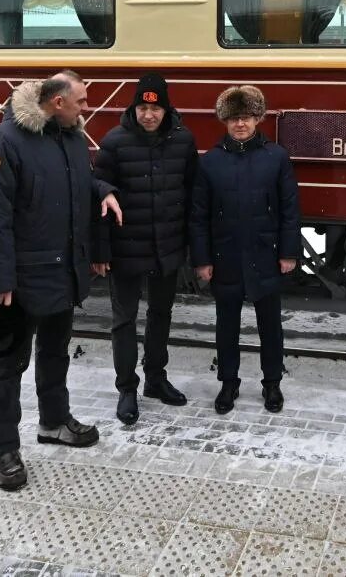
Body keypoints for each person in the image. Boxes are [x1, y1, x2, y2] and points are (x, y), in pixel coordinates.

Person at [0, 70, 123, 491]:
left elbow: (76, 184)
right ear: (58, 102)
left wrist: (103, 191)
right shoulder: (6, 140)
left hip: (63, 271)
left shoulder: (71, 137)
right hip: (21, 279)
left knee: (56, 353)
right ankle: (5, 449)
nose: (86, 107)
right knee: (10, 364)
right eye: (81, 101)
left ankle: (54, 422)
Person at [93, 72, 198, 425]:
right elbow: (99, 196)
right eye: (143, 107)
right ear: (134, 107)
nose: (149, 115)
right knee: (124, 320)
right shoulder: (114, 142)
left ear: (166, 109)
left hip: (166, 247)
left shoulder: (183, 142)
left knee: (161, 315)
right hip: (125, 250)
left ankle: (155, 379)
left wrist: (192, 247)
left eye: (156, 108)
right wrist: (100, 252)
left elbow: (193, 195)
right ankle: (127, 388)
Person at [191, 85, 300, 415]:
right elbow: (199, 215)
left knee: (270, 324)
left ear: (258, 119)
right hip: (226, 255)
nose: (241, 124)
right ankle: (229, 382)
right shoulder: (210, 162)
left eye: (248, 117)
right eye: (235, 118)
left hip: (264, 253)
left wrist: (289, 252)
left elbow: (289, 209)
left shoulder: (276, 157)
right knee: (227, 325)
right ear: (225, 121)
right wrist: (202, 259)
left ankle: (272, 383)